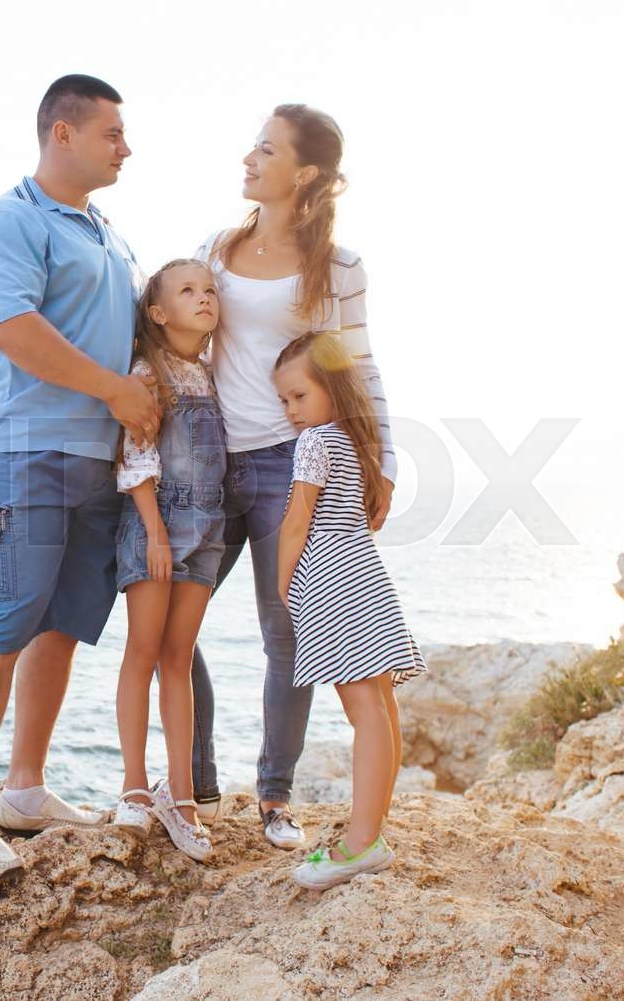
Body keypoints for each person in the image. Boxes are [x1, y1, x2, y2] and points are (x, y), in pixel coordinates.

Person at [0, 74, 161, 878]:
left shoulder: (110, 235)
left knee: (62, 622)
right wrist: (115, 391)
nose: (126, 147)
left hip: (98, 458)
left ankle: (24, 790)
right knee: (5, 618)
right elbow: (12, 329)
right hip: (23, 450)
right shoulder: (8, 220)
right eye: (112, 133)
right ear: (62, 133)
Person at [187, 104, 399, 851]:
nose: (250, 158)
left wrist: (382, 462)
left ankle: (273, 798)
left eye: (267, 149)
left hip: (292, 462)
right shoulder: (216, 250)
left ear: (305, 173)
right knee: (171, 623)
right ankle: (193, 784)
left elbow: (358, 365)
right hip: (210, 462)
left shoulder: (338, 267)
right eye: (254, 145)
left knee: (288, 636)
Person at [271, 330, 426, 887]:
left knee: (364, 711)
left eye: (299, 395)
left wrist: (284, 584)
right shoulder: (361, 442)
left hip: (331, 581)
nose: (291, 410)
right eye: (284, 400)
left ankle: (361, 844)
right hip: (365, 572)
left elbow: (298, 520)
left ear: (332, 387)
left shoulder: (315, 442)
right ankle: (370, 829)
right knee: (381, 705)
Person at [109, 260, 225, 862]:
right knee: (143, 650)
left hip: (207, 530)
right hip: (155, 524)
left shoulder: (213, 374)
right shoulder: (146, 373)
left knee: (179, 658)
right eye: (188, 291)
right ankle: (134, 786)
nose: (204, 298)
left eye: (209, 290)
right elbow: (136, 460)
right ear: (158, 313)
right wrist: (155, 533)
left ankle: (180, 797)